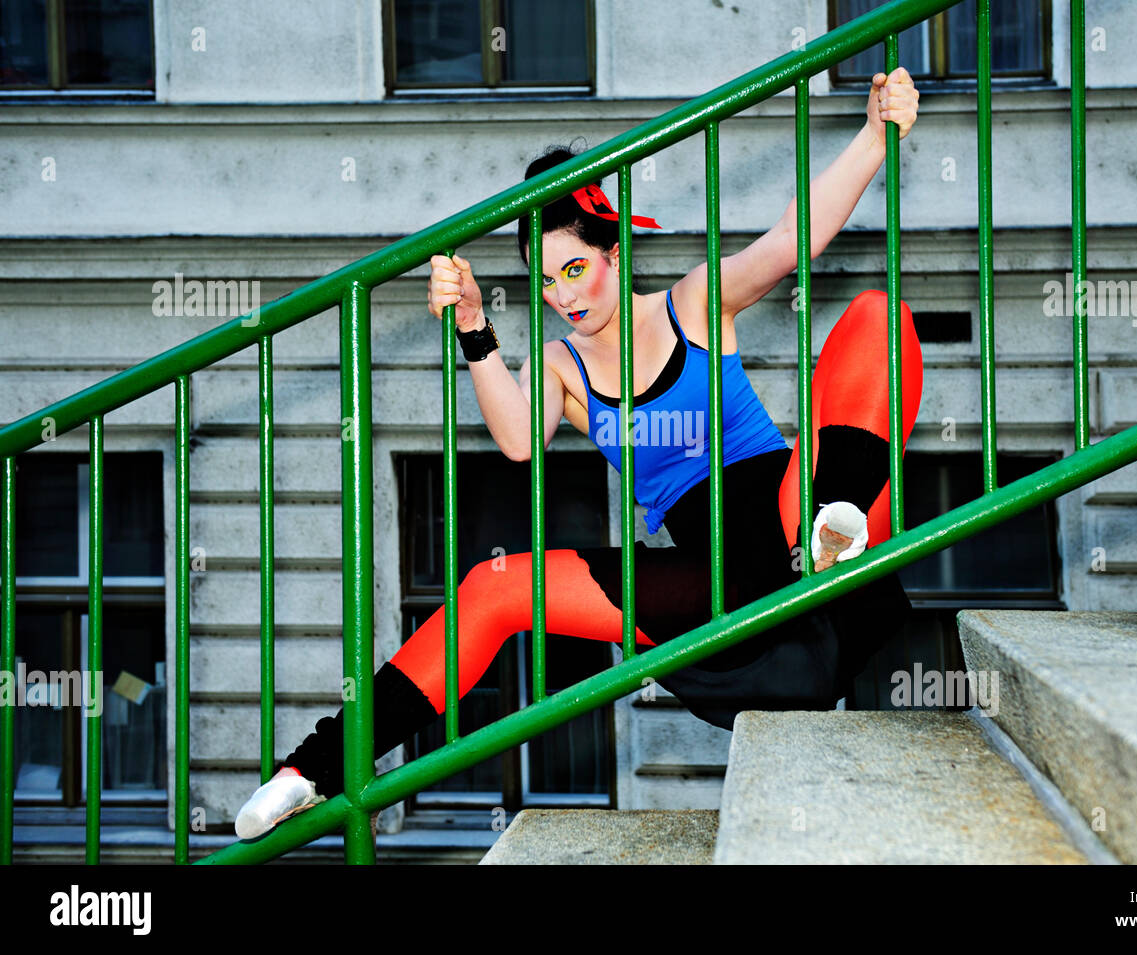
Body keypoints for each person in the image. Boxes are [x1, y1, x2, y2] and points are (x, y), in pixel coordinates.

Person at [234, 67, 923, 841]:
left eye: (576, 268)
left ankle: (838, 525)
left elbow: (795, 239)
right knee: (492, 588)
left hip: (794, 514)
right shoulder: (562, 365)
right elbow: (519, 441)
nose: (566, 295)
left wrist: (874, 135)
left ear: (614, 248)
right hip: (712, 576)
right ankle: (309, 770)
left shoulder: (694, 302)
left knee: (874, 316)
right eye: (548, 281)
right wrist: (472, 325)